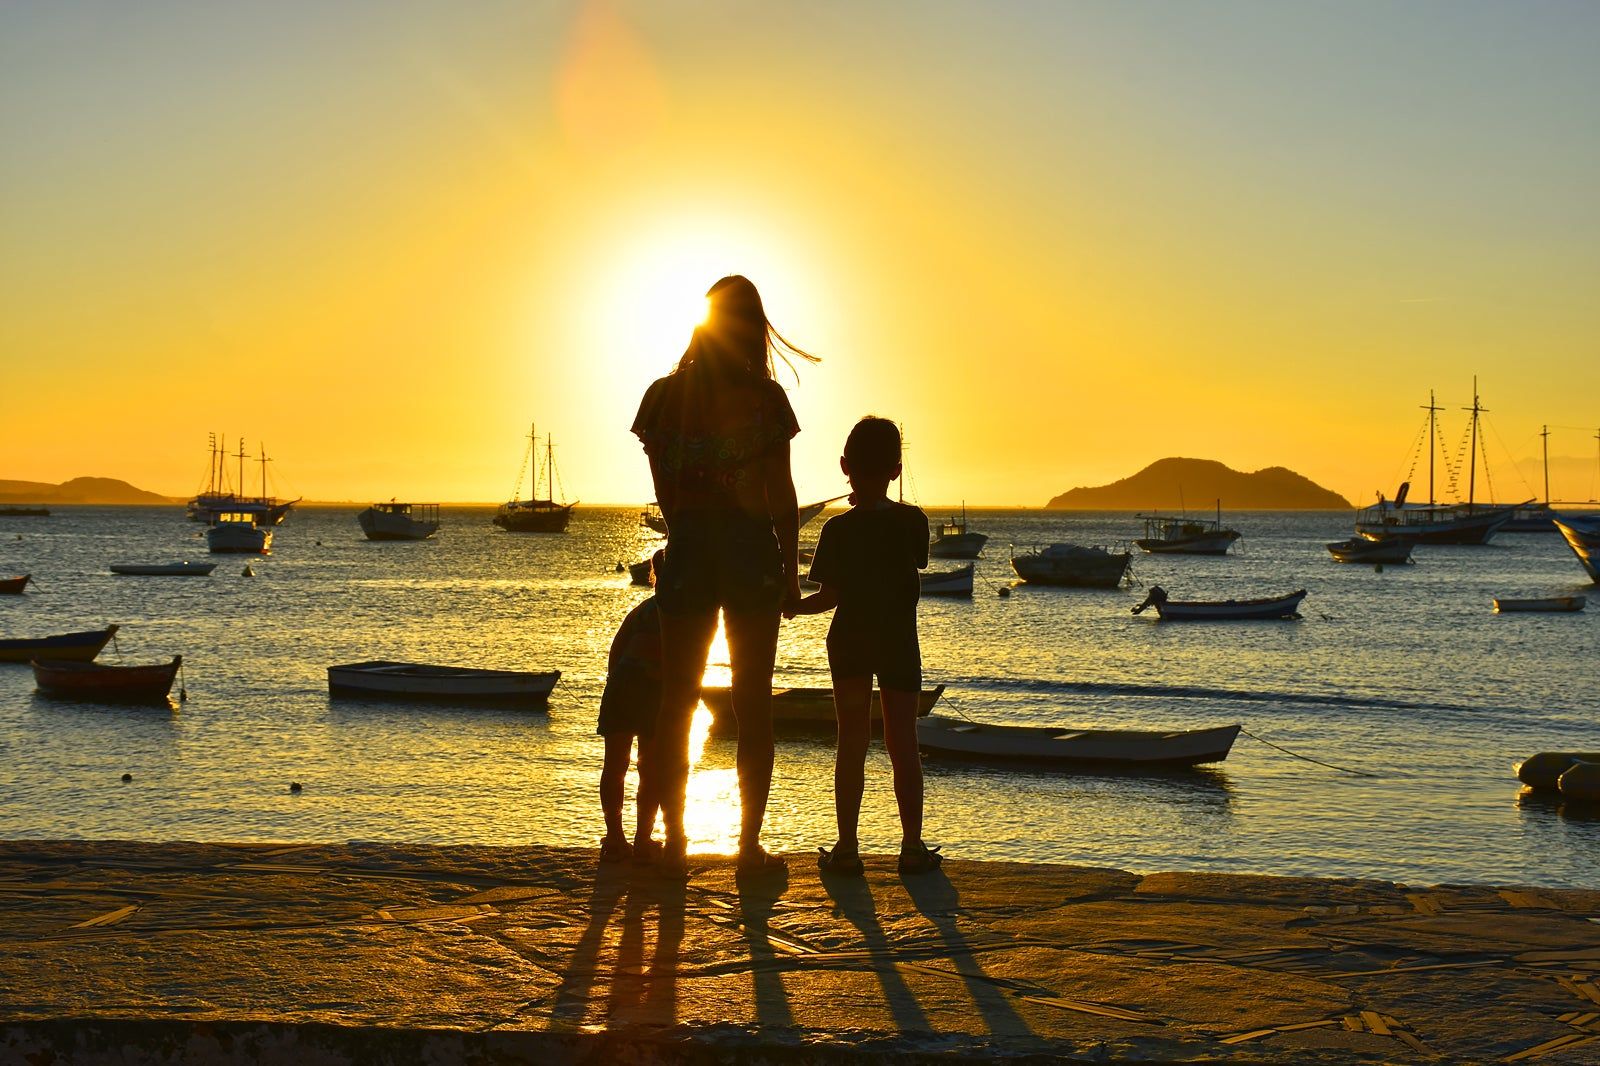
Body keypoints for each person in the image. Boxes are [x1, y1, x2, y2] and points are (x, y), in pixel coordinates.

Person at [631, 275, 814, 878]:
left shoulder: (662, 399)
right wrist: (789, 574)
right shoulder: (766, 402)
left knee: (675, 702)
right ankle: (747, 848)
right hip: (750, 559)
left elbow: (663, 492)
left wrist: (690, 525)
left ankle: (674, 841)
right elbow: (781, 495)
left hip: (689, 552)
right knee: (753, 705)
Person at [785, 416, 942, 875]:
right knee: (903, 745)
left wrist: (792, 606)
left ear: (844, 466)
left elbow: (830, 599)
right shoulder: (914, 522)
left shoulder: (838, 531)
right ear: (896, 470)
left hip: (850, 641)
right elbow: (912, 564)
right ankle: (911, 848)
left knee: (851, 741)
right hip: (898, 641)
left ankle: (848, 848)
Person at [597, 550, 666, 864]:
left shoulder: (641, 610)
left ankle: (616, 837)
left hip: (622, 687)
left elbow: (616, 650)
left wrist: (615, 684)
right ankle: (640, 839)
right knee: (649, 768)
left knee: (616, 765)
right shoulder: (675, 612)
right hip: (649, 692)